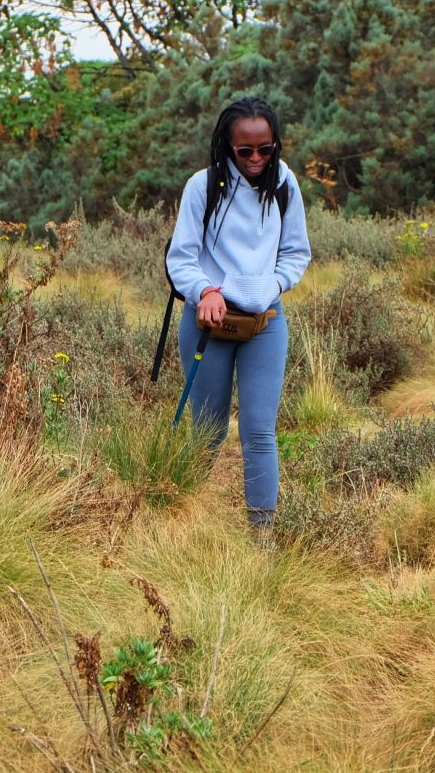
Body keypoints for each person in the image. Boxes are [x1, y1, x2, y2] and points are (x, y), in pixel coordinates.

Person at [165, 96, 311, 540]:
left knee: (259, 432)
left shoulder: (285, 184)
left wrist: (271, 287)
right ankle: (179, 524)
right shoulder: (202, 187)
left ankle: (261, 538)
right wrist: (205, 290)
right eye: (244, 151)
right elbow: (181, 258)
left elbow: (295, 254)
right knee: (207, 432)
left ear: (275, 145)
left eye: (264, 149)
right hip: (208, 323)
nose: (254, 159)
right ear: (226, 146)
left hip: (265, 322)